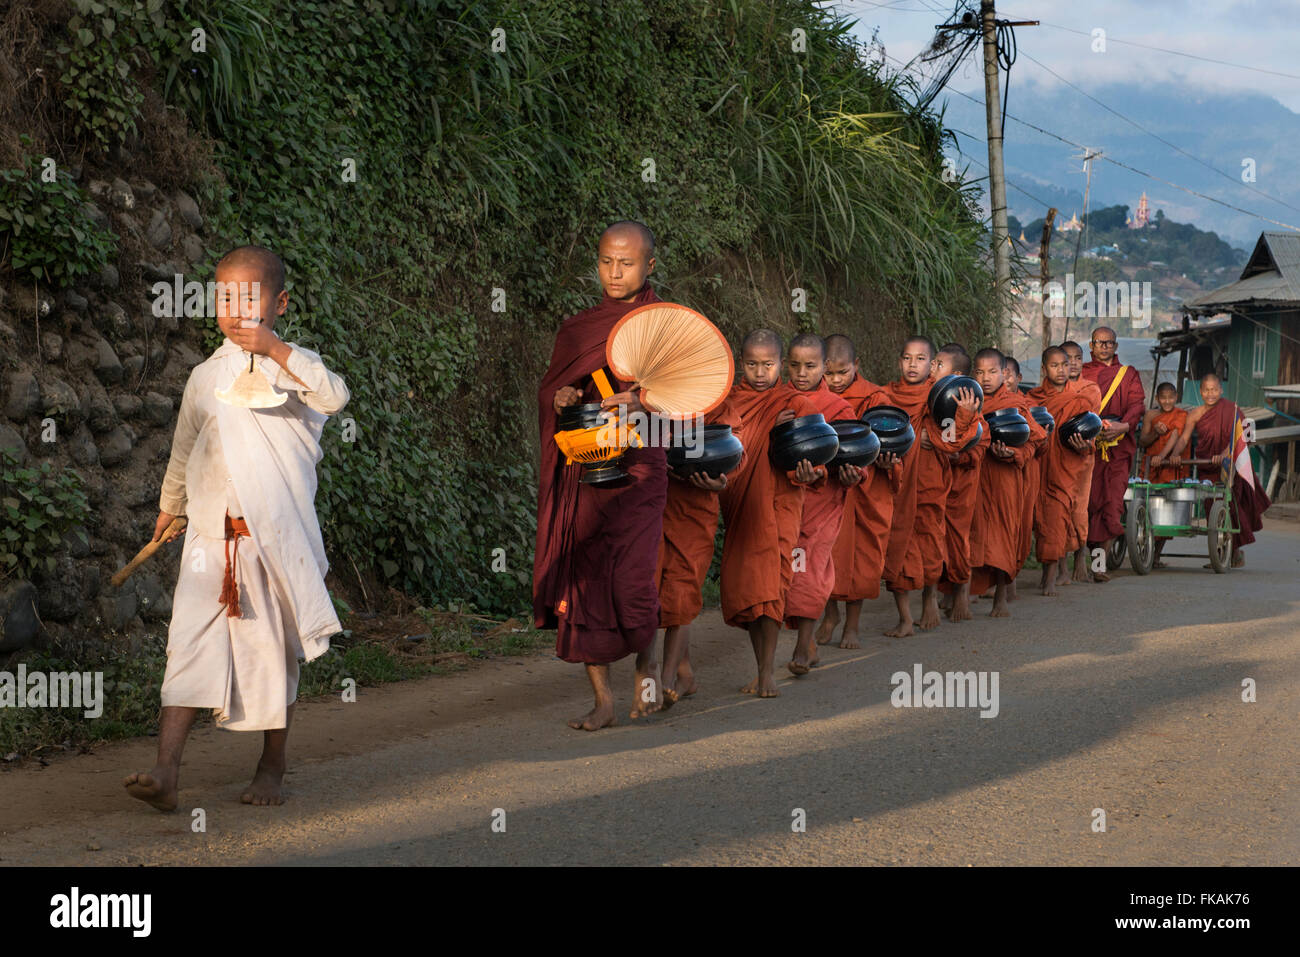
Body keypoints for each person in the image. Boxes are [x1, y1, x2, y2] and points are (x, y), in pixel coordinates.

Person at [125, 245, 350, 811]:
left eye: (249, 296)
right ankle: (165, 771)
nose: (234, 307)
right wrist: (172, 505)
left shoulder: (297, 367)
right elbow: (185, 448)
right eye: (224, 295)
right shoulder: (206, 376)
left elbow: (335, 396)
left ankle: (271, 767)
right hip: (209, 537)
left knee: (276, 652)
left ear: (280, 304)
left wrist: (276, 351)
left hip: (273, 540)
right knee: (187, 647)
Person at [535, 221, 668, 731]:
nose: (614, 273)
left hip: (638, 468)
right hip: (587, 465)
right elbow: (556, 392)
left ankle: (648, 667)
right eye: (606, 262)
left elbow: (696, 397)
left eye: (627, 263)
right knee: (586, 579)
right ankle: (603, 700)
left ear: (649, 266)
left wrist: (642, 398)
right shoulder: (580, 327)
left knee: (634, 577)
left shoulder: (666, 326)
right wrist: (563, 397)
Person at [718, 330, 819, 697]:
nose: (760, 372)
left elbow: (813, 453)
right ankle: (759, 668)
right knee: (747, 589)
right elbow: (720, 450)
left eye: (768, 364)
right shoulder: (728, 401)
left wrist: (806, 469)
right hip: (741, 506)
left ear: (781, 364)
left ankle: (766, 673)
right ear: (740, 362)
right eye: (752, 364)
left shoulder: (795, 403)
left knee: (772, 588)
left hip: (779, 507)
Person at [868, 336, 979, 636]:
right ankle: (904, 617)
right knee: (897, 544)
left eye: (920, 359)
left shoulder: (940, 393)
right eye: (906, 358)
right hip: (897, 481)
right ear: (899, 361)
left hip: (930, 480)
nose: (912, 365)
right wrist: (917, 439)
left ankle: (930, 598)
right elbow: (875, 432)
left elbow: (953, 439)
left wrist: (964, 414)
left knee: (930, 540)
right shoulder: (885, 395)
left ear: (931, 364)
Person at [656, 398, 743, 707]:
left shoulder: (715, 400)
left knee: (682, 590)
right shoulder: (651, 397)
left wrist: (722, 482)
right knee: (658, 593)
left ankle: (665, 678)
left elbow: (734, 450)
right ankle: (685, 673)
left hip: (695, 511)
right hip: (655, 505)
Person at [818, 334, 901, 649]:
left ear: (857, 365)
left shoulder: (874, 398)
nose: (836, 380)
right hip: (829, 486)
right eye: (829, 373)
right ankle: (830, 614)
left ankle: (852, 625)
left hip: (867, 488)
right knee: (824, 552)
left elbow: (892, 437)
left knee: (860, 558)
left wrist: (888, 459)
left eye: (843, 372)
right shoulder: (815, 397)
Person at [783, 333, 859, 674]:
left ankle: (801, 648)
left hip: (822, 503)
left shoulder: (840, 409)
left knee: (809, 571)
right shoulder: (777, 402)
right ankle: (809, 643)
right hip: (783, 501)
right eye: (795, 365)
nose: (802, 373)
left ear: (824, 368)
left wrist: (843, 476)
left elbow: (852, 458)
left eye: (810, 366)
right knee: (786, 572)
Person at [968, 348, 1045, 616]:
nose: (986, 378)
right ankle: (960, 596)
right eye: (980, 372)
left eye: (992, 372)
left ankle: (1000, 596)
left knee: (1003, 536)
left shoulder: (1016, 403)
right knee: (969, 534)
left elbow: (1036, 439)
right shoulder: (967, 401)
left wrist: (1014, 453)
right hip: (974, 478)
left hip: (1005, 479)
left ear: (1004, 373)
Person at [1176, 373, 1270, 566]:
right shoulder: (1195, 414)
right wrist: (1174, 455)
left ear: (1221, 390)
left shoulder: (1233, 410)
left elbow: (1240, 438)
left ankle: (1229, 552)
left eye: (1214, 389)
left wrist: (1225, 453)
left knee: (1230, 506)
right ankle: (1225, 552)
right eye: (1206, 390)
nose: (1211, 393)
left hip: (1229, 466)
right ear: (1201, 392)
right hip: (1207, 466)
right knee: (1212, 508)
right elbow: (1184, 438)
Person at [1029, 347, 1098, 596]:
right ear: (1044, 369)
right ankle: (1047, 572)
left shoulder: (1080, 401)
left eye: (1064, 365)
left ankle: (1051, 576)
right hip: (1037, 468)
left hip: (1064, 471)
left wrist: (1084, 446)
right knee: (1040, 521)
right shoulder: (1033, 399)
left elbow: (1089, 436)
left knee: (1056, 520)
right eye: (1054, 365)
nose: (1060, 370)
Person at [1081, 326, 1145, 582]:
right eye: (1100, 342)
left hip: (1118, 446)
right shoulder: (1083, 373)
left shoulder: (1128, 374)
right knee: (1086, 503)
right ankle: (1079, 561)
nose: (1105, 347)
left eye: (1109, 343)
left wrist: (1124, 426)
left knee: (1111, 503)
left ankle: (1099, 566)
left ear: (1116, 346)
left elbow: (1137, 404)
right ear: (1091, 345)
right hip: (1087, 446)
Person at [934, 345, 988, 621]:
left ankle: (962, 596)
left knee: (958, 540)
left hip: (961, 487)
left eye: (937, 365)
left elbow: (979, 444)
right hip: (932, 482)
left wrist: (959, 454)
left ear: (956, 375)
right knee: (931, 539)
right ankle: (936, 596)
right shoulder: (930, 402)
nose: (931, 369)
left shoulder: (973, 407)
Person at [1060, 339, 1102, 584]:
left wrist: (1083, 442)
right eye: (1067, 359)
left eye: (1077, 358)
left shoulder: (1091, 389)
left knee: (1079, 508)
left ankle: (1080, 558)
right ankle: (1060, 563)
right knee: (1059, 509)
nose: (1073, 364)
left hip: (1083, 453)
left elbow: (1090, 421)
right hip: (1059, 455)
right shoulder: (1052, 391)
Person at [1139, 382, 1188, 483]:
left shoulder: (1181, 414)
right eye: (1163, 398)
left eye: (1170, 398)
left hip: (1170, 463)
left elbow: (1175, 434)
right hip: (1152, 463)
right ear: (1157, 398)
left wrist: (1161, 457)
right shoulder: (1150, 415)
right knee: (1148, 494)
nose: (1167, 401)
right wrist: (1155, 433)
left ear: (1176, 397)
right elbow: (1142, 442)